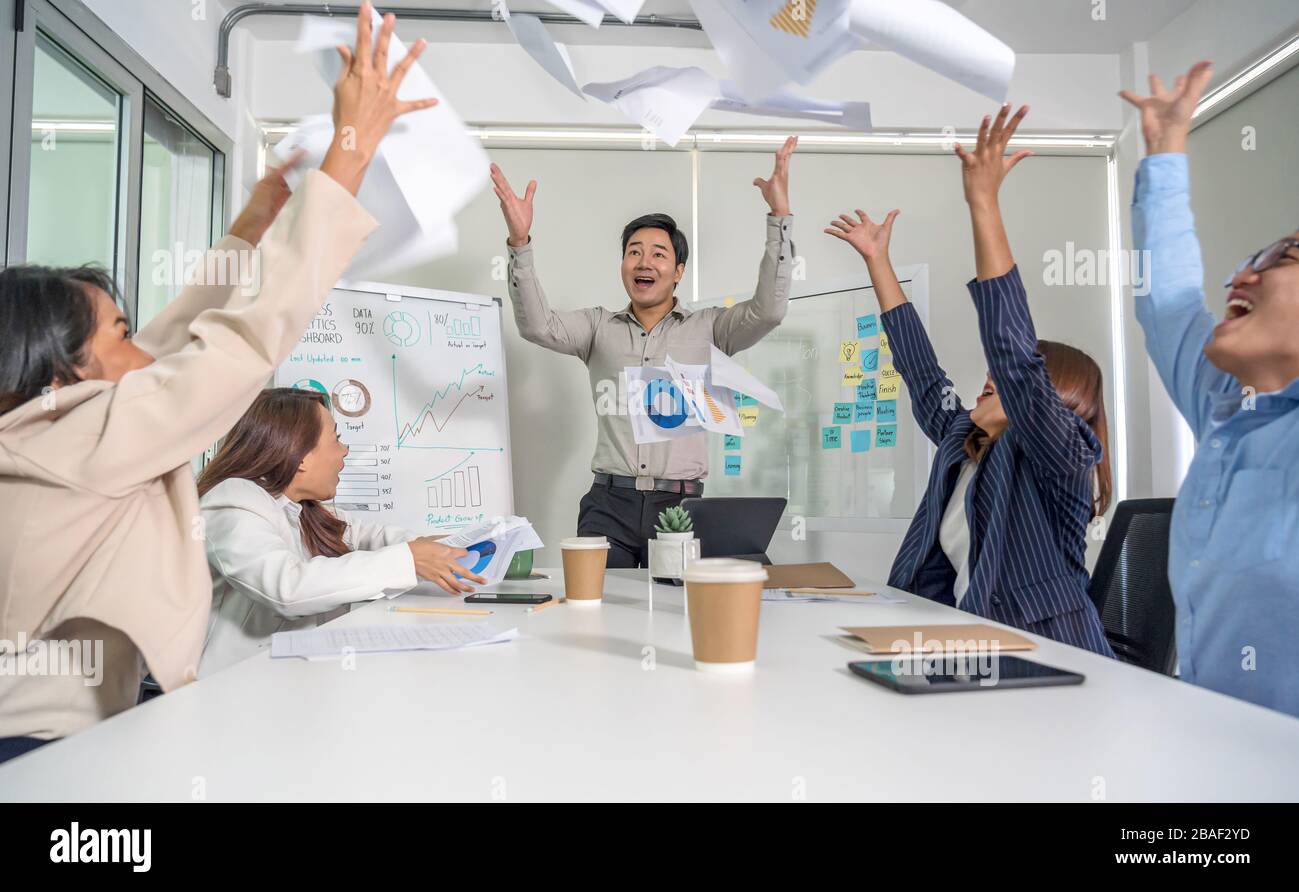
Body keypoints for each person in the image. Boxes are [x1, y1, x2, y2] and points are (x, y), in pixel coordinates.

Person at [0, 4, 435, 761]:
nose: (146, 354)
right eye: (119, 336)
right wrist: (351, 150)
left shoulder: (52, 425)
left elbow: (173, 342)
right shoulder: (80, 436)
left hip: (71, 731)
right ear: (66, 368)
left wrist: (253, 225)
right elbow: (237, 344)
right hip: (41, 749)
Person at [825, 105, 1114, 655]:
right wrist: (878, 262)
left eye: (1005, 379)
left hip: (1051, 656)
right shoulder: (968, 442)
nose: (989, 378)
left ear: (1054, 399)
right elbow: (921, 371)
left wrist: (983, 203)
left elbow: (1014, 362)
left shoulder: (1063, 458)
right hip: (973, 643)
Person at [488, 138, 798, 567]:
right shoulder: (598, 328)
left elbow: (769, 310)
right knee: (597, 610)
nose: (643, 262)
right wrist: (520, 242)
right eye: (633, 253)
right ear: (622, 266)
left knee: (677, 616)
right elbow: (537, 325)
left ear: (678, 271)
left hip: (681, 509)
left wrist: (779, 218)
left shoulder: (710, 328)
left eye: (658, 254)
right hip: (607, 504)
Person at [1122, 61, 1299, 716]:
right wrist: (1165, 154)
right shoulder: (1227, 406)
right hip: (1215, 757)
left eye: (1277, 260)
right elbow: (1167, 304)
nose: (1238, 276)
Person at [195, 389, 487, 675]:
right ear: (301, 456)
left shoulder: (302, 508)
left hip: (299, 677)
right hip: (236, 688)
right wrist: (409, 558)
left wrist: (439, 546)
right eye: (336, 438)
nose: (345, 450)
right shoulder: (233, 499)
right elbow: (287, 587)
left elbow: (368, 536)